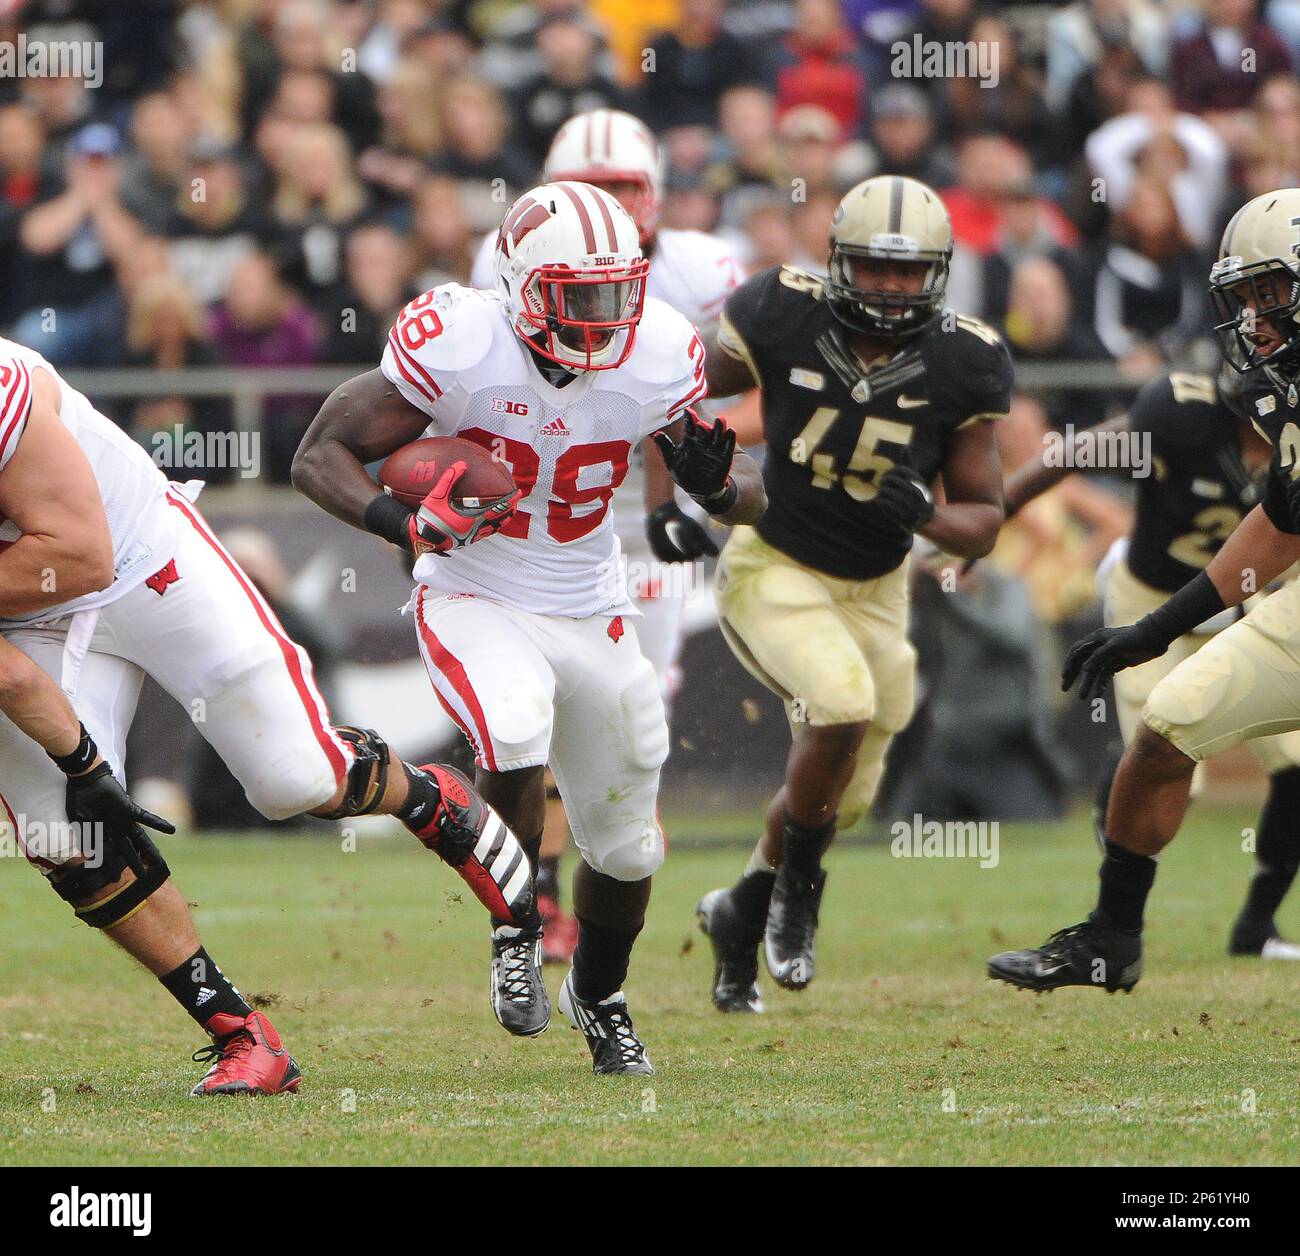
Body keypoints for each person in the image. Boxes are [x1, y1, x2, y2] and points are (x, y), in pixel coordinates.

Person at [292, 181, 766, 1073]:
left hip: (593, 600)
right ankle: (516, 926)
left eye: (615, 293)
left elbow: (751, 493)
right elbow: (319, 453)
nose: (602, 318)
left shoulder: (659, 351)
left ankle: (600, 993)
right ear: (517, 287)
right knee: (511, 727)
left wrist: (717, 484)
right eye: (576, 296)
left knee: (629, 842)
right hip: (474, 587)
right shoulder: (462, 342)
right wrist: (403, 525)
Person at [0, 330, 535, 1096]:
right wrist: (82, 767)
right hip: (24, 617)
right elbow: (13, 679)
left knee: (293, 777)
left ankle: (432, 798)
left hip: (137, 557)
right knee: (65, 835)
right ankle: (242, 1035)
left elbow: (79, 553)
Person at [695, 175, 1011, 1012]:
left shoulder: (966, 359)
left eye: (911, 274)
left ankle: (739, 912)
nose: (893, 287)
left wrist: (931, 519)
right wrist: (685, 500)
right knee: (839, 704)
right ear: (839, 262)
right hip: (777, 564)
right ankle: (800, 895)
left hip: (879, 590)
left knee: (847, 793)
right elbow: (682, 393)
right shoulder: (779, 309)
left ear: (938, 275)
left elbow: (985, 519)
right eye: (875, 268)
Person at [988, 188, 1300, 992]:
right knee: (1166, 734)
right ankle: (1111, 938)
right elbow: (1282, 523)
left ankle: (1255, 920)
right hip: (1255, 592)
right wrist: (1157, 628)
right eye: (1245, 297)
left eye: (1272, 292)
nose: (1255, 317)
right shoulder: (1267, 390)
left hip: (1260, 592)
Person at [468, 110, 747, 963]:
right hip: (541, 500)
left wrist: (683, 492)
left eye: (627, 185)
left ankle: (610, 862)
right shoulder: (506, 260)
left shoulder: (703, 270)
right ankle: (540, 894)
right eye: (594, 186)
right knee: (532, 717)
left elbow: (693, 399)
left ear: (656, 192)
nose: (612, 201)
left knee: (633, 706)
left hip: (643, 504)